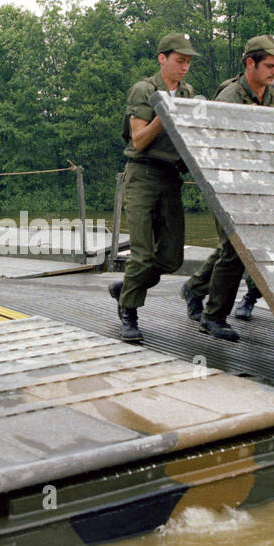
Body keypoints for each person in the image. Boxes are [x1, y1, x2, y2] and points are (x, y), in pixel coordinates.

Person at [180, 35, 274, 341]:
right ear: (249, 64)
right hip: (225, 182)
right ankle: (213, 317)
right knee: (236, 248)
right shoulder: (228, 97)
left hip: (260, 182)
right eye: (269, 65)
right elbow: (210, 148)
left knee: (236, 247)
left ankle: (194, 287)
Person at [108, 32, 199, 344]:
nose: (184, 67)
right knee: (143, 254)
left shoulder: (187, 92)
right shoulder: (145, 90)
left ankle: (126, 289)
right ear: (162, 58)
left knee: (172, 258)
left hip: (171, 176)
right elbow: (139, 140)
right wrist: (165, 113)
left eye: (188, 61)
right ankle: (129, 311)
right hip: (143, 175)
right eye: (179, 60)